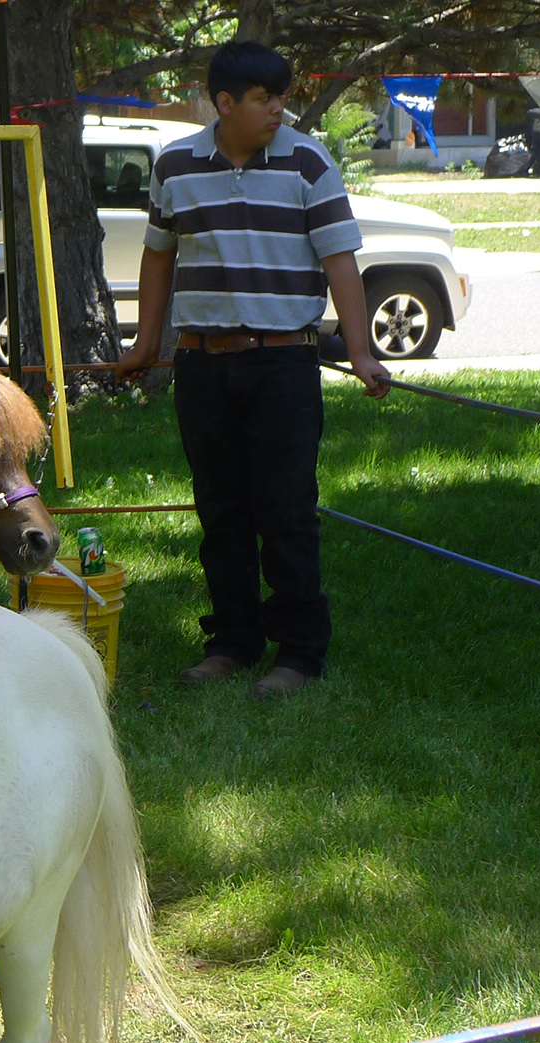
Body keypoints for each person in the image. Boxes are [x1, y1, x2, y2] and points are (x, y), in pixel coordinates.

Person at [115, 40, 390, 701]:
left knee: (286, 511)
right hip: (202, 365)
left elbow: (341, 262)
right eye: (266, 99)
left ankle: (298, 654)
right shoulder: (175, 165)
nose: (278, 110)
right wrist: (147, 341)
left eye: (282, 97)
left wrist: (359, 350)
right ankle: (233, 644)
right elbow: (158, 258)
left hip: (285, 362)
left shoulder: (307, 160)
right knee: (222, 512)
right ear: (225, 102)